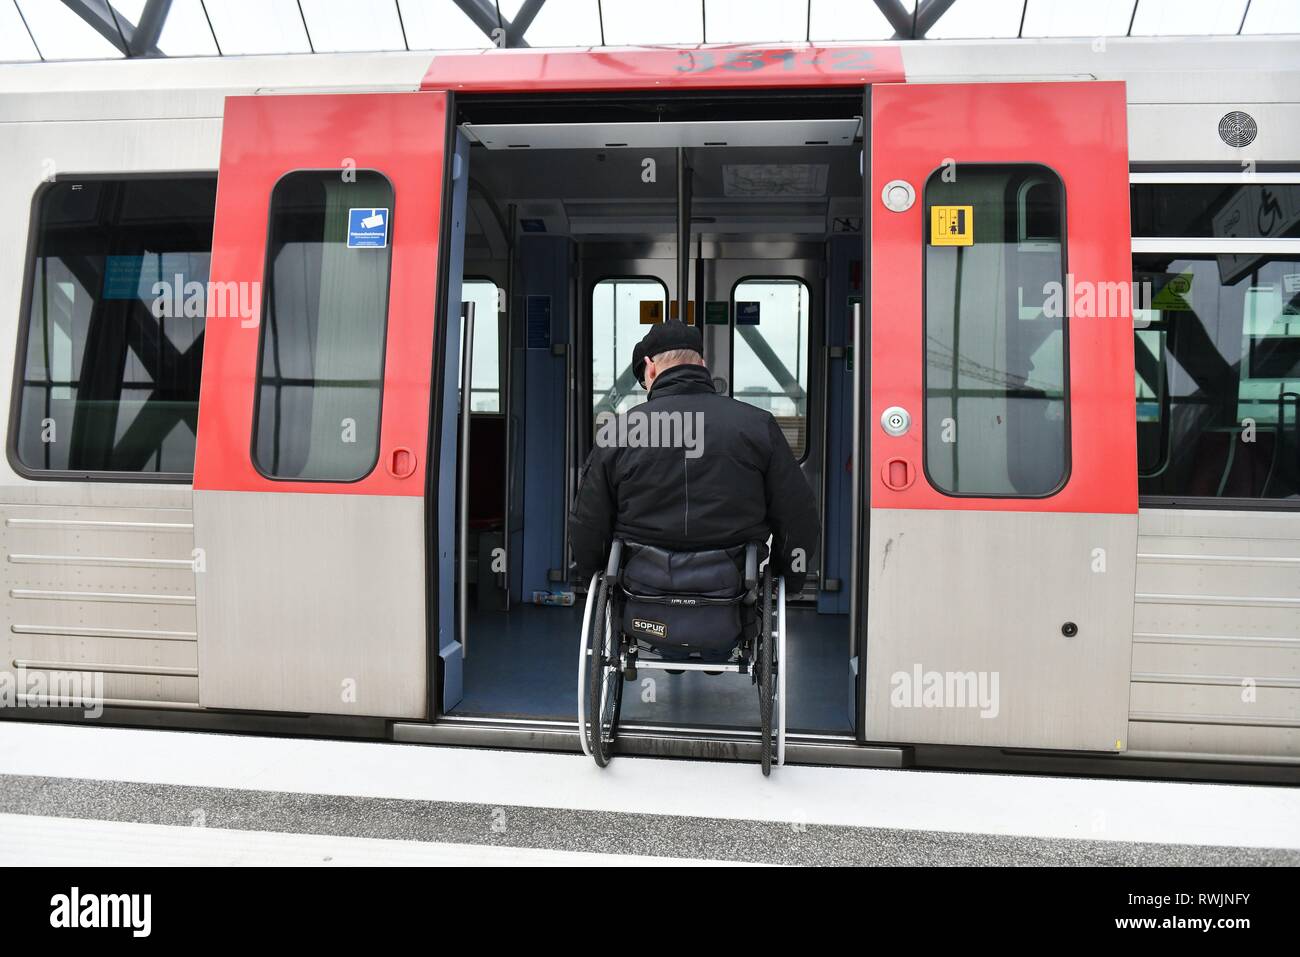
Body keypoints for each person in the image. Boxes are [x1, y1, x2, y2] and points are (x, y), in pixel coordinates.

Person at [570, 320, 819, 592]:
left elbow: (587, 524)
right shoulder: (758, 426)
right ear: (702, 365)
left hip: (641, 590)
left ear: (650, 367)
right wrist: (788, 580)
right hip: (732, 591)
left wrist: (594, 576)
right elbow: (799, 516)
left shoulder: (617, 432)